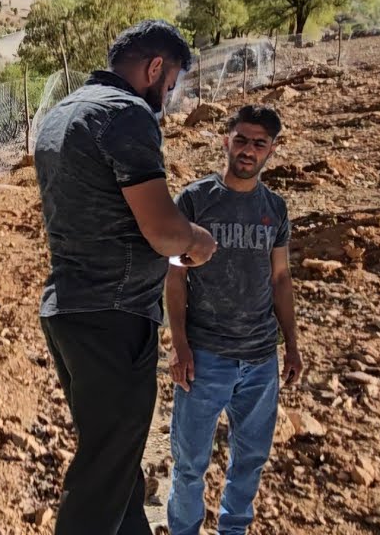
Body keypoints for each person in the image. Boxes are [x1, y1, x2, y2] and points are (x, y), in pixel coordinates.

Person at [33, 19, 218, 535]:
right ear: (154, 67)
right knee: (101, 477)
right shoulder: (127, 115)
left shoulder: (60, 113)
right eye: (173, 78)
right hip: (113, 318)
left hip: (69, 309)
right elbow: (161, 230)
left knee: (114, 458)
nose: (171, 93)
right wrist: (197, 240)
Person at [166, 105, 303, 535]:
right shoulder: (194, 200)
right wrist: (180, 345)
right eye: (241, 139)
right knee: (189, 463)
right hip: (206, 358)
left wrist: (292, 345)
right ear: (226, 141)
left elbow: (281, 278)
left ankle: (233, 529)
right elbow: (174, 276)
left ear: (272, 150)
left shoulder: (275, 209)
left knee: (250, 460)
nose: (248, 150)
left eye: (259, 143)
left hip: (261, 361)